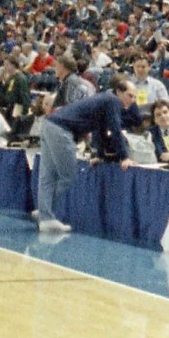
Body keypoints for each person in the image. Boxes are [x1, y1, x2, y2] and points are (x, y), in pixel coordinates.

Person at [33, 77, 135, 233]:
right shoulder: (113, 101)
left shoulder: (104, 99)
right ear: (119, 92)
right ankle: (44, 212)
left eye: (135, 97)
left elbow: (100, 129)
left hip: (49, 125)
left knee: (48, 176)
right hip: (61, 130)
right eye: (130, 95)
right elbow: (114, 129)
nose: (133, 100)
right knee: (67, 176)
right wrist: (124, 157)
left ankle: (44, 214)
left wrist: (101, 154)